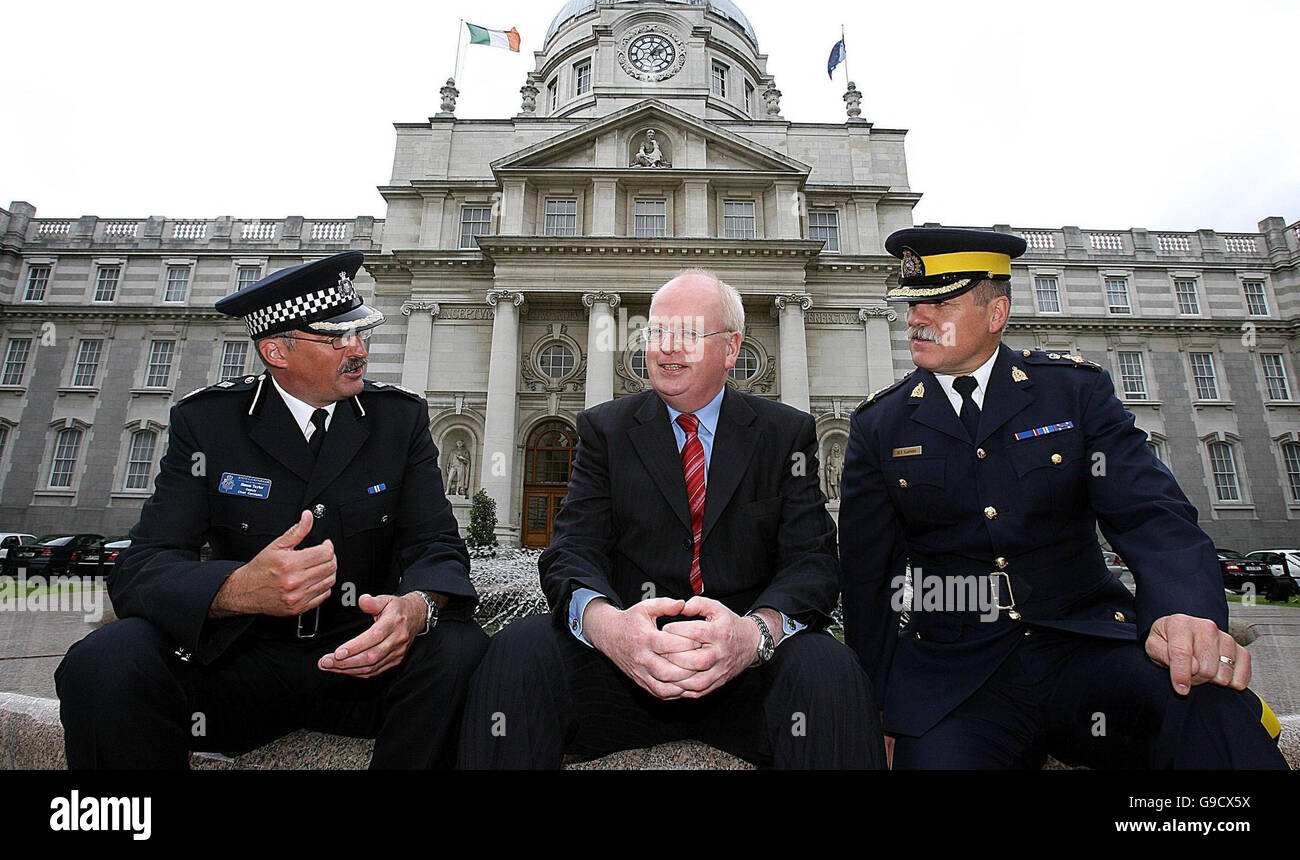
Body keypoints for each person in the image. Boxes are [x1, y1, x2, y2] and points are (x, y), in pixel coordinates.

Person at [838, 227, 1288, 769]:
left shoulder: (1073, 391)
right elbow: (868, 576)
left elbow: (1150, 512)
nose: (916, 317)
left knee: (1210, 711)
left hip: (1085, 648)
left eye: (939, 302)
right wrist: (879, 706)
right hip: (957, 680)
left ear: (996, 312)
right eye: (913, 303)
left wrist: (1186, 611)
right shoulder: (879, 425)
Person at [55, 252, 487, 769]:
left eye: (359, 333)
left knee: (459, 650)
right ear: (276, 350)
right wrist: (233, 590)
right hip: (244, 665)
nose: (358, 350)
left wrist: (417, 606)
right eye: (334, 338)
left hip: (365, 662)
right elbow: (145, 567)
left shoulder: (400, 419)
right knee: (105, 661)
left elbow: (435, 543)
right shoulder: (210, 424)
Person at [458, 269, 883, 769]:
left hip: (747, 676)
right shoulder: (604, 430)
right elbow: (571, 550)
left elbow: (812, 562)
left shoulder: (785, 435)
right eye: (655, 332)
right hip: (622, 673)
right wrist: (609, 629)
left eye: (685, 334)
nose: (664, 348)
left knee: (830, 670)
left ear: (731, 349)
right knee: (517, 652)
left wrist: (753, 636)